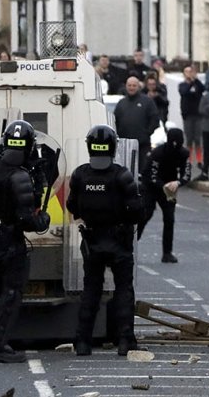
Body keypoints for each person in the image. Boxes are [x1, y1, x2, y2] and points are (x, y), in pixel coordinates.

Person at [69, 125, 148, 356]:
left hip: (92, 240)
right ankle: (125, 341)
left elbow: (72, 206)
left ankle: (82, 342)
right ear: (113, 147)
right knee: (123, 290)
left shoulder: (80, 174)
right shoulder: (122, 175)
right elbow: (136, 211)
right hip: (119, 241)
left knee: (90, 291)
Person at [0, 119, 50, 363]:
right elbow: (29, 220)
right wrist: (44, 220)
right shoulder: (19, 177)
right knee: (9, 293)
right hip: (7, 244)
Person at [145, 126, 190, 263]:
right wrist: (162, 185)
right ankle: (129, 248)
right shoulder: (158, 153)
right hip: (151, 188)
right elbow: (150, 174)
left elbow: (187, 174)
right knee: (145, 215)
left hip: (170, 189)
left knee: (169, 219)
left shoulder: (183, 154)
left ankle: (167, 252)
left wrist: (178, 183)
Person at [113, 75, 161, 177]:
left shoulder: (147, 101)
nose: (131, 88)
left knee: (143, 173)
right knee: (125, 174)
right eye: (129, 85)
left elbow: (155, 119)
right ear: (126, 86)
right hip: (124, 146)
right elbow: (115, 121)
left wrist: (147, 132)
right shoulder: (121, 103)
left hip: (142, 145)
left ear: (138, 86)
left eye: (134, 85)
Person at [178, 64, 204, 164]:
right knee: (189, 139)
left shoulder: (197, 84)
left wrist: (195, 80)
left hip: (198, 114)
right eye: (187, 72)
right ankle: (188, 159)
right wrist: (191, 83)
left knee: (198, 139)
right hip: (187, 115)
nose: (189, 73)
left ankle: (199, 159)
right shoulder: (182, 85)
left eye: (191, 71)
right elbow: (184, 92)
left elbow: (202, 89)